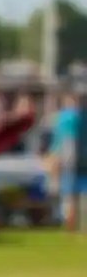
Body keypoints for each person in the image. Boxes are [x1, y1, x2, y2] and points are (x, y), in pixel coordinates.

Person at [48, 92, 86, 232]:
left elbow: (63, 140)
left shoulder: (65, 117)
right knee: (78, 194)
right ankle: (81, 225)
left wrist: (54, 156)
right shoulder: (76, 116)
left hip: (69, 157)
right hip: (78, 157)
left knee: (69, 193)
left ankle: (70, 223)